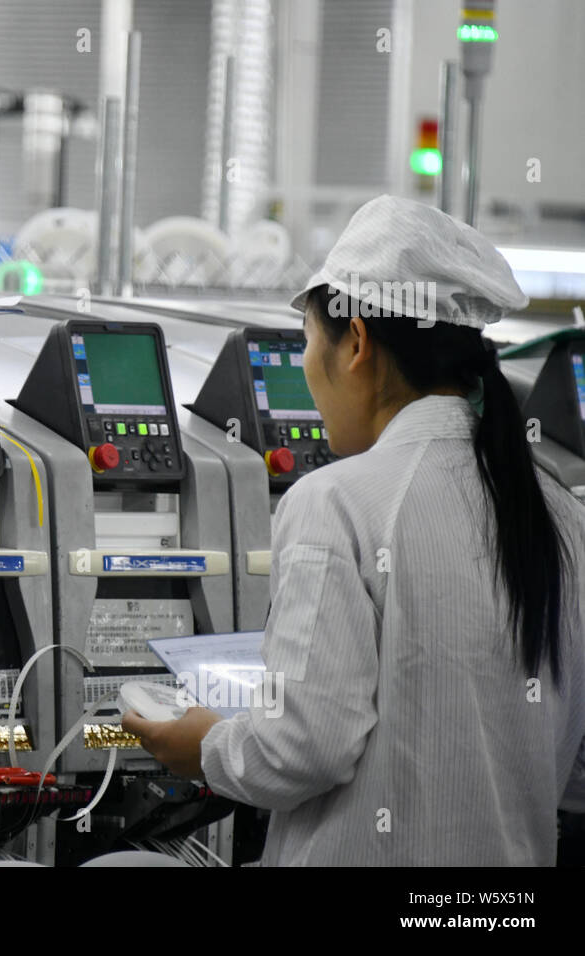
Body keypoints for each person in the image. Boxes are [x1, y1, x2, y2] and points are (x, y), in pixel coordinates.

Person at [123, 195, 585, 865]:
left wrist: (202, 745)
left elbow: (298, 751)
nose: (309, 372)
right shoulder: (559, 514)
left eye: (310, 342)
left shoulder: (336, 503)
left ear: (358, 342)